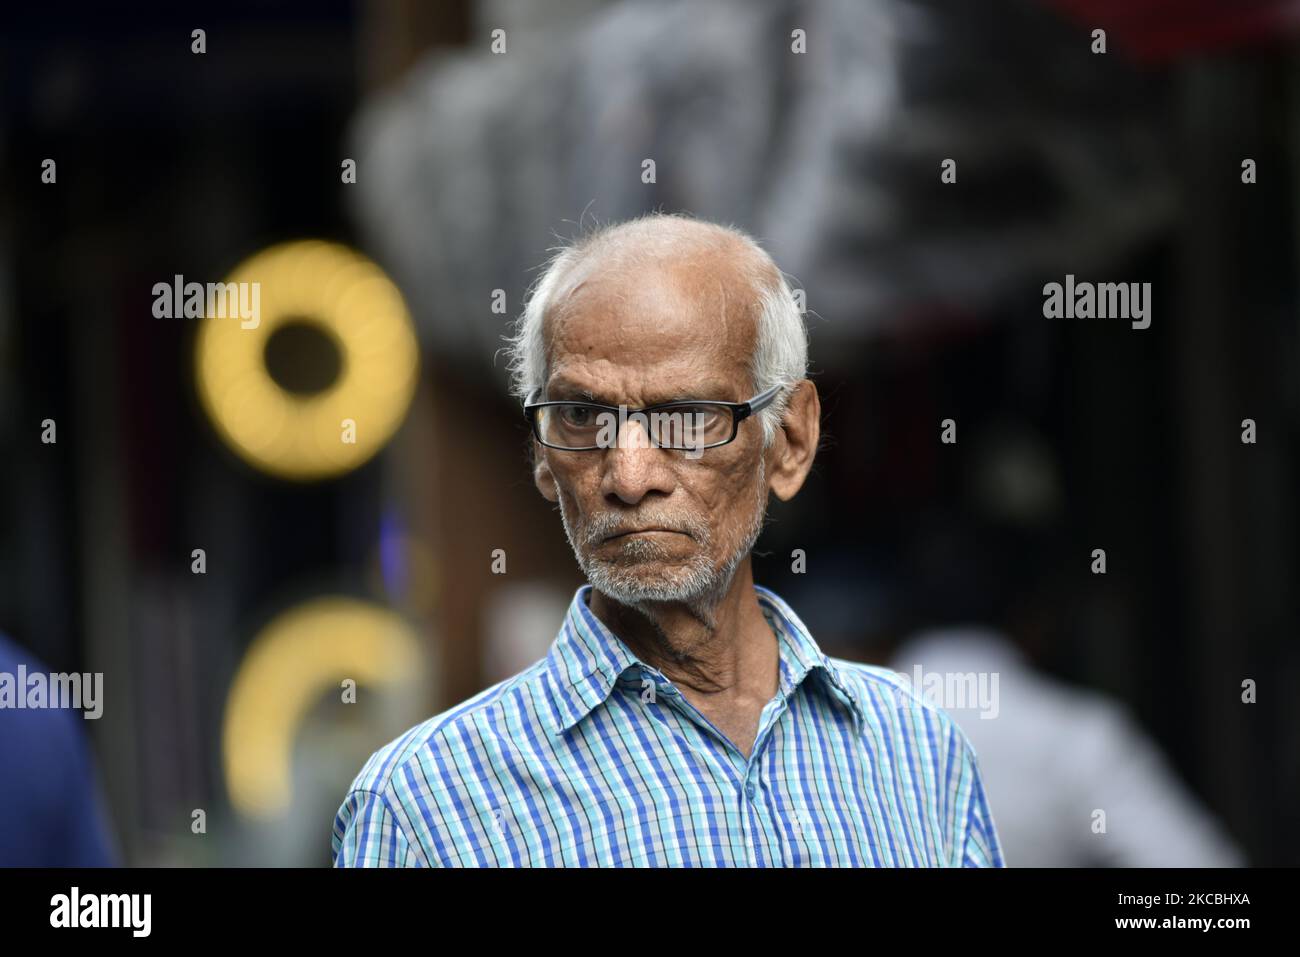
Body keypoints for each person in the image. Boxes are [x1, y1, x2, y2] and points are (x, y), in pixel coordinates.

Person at [331, 212, 1005, 866]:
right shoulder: (427, 807)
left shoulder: (918, 752)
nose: (628, 475)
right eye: (580, 415)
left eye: (688, 416)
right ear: (541, 454)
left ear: (791, 440)